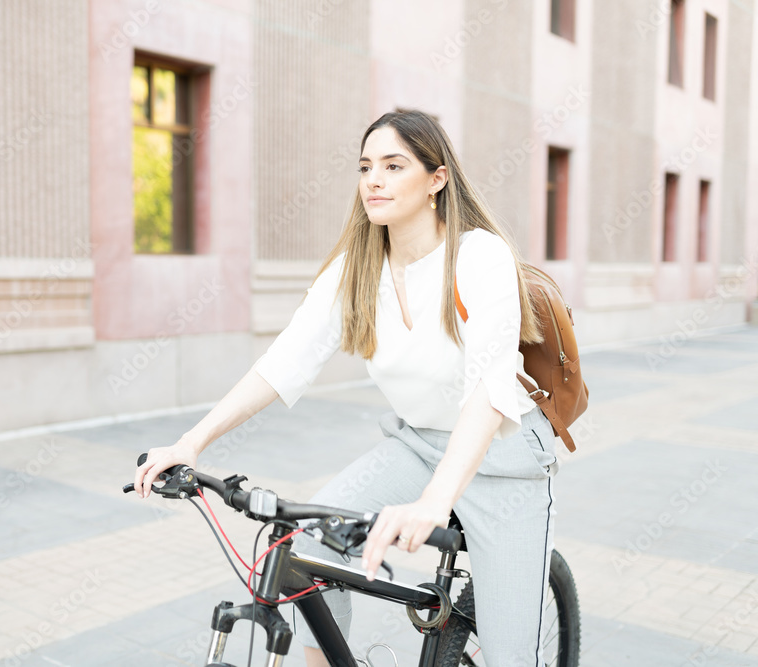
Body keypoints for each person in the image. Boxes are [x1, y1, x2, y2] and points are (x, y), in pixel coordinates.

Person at [134, 108, 559, 667]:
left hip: (504, 461)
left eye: (393, 165)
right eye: (364, 167)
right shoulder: (356, 269)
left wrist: (434, 504)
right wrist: (192, 442)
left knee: (510, 657)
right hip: (419, 445)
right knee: (304, 543)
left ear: (437, 179)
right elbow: (282, 363)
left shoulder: (479, 256)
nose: (373, 180)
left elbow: (490, 389)